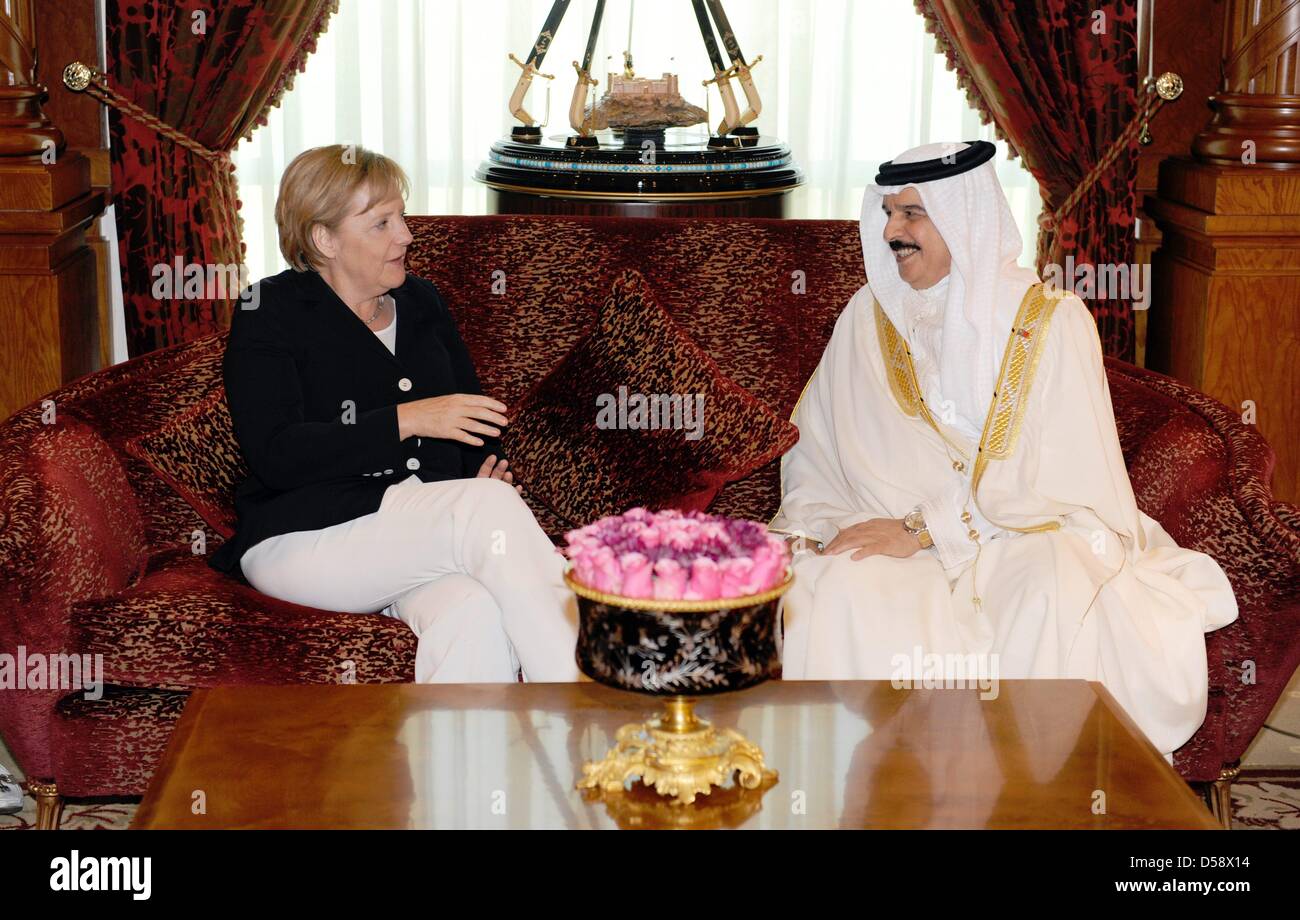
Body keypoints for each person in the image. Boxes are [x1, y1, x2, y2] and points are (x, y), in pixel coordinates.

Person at [769, 140, 1238, 757]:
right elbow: (821, 446)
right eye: (887, 213)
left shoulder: (1051, 320)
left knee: (1057, 587)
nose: (892, 232)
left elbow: (1062, 476)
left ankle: (1026, 803)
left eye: (912, 214)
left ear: (965, 218)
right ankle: (876, 802)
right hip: (889, 523)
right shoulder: (867, 315)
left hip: (1023, 532)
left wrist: (929, 527)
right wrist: (812, 527)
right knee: (838, 589)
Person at [209, 145, 579, 684]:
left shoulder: (423, 301)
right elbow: (278, 456)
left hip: (408, 540)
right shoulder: (270, 312)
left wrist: (482, 470)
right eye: (382, 222)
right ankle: (592, 705)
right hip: (306, 539)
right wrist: (407, 420)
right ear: (324, 239)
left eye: (401, 216)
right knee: (484, 511)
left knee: (472, 614)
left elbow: (473, 418)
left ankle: (468, 765)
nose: (406, 235)